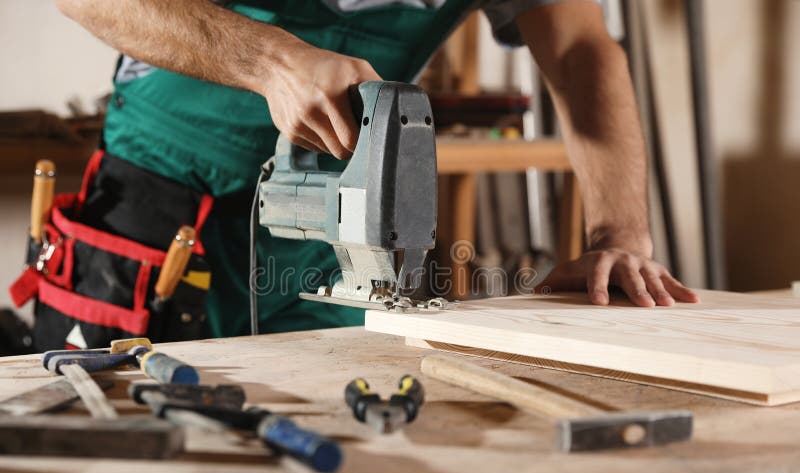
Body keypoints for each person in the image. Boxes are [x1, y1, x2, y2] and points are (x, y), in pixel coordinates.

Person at [55, 0, 699, 340]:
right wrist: (271, 63)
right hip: (157, 218)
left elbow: (582, 47)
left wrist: (619, 234)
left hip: (341, 244)